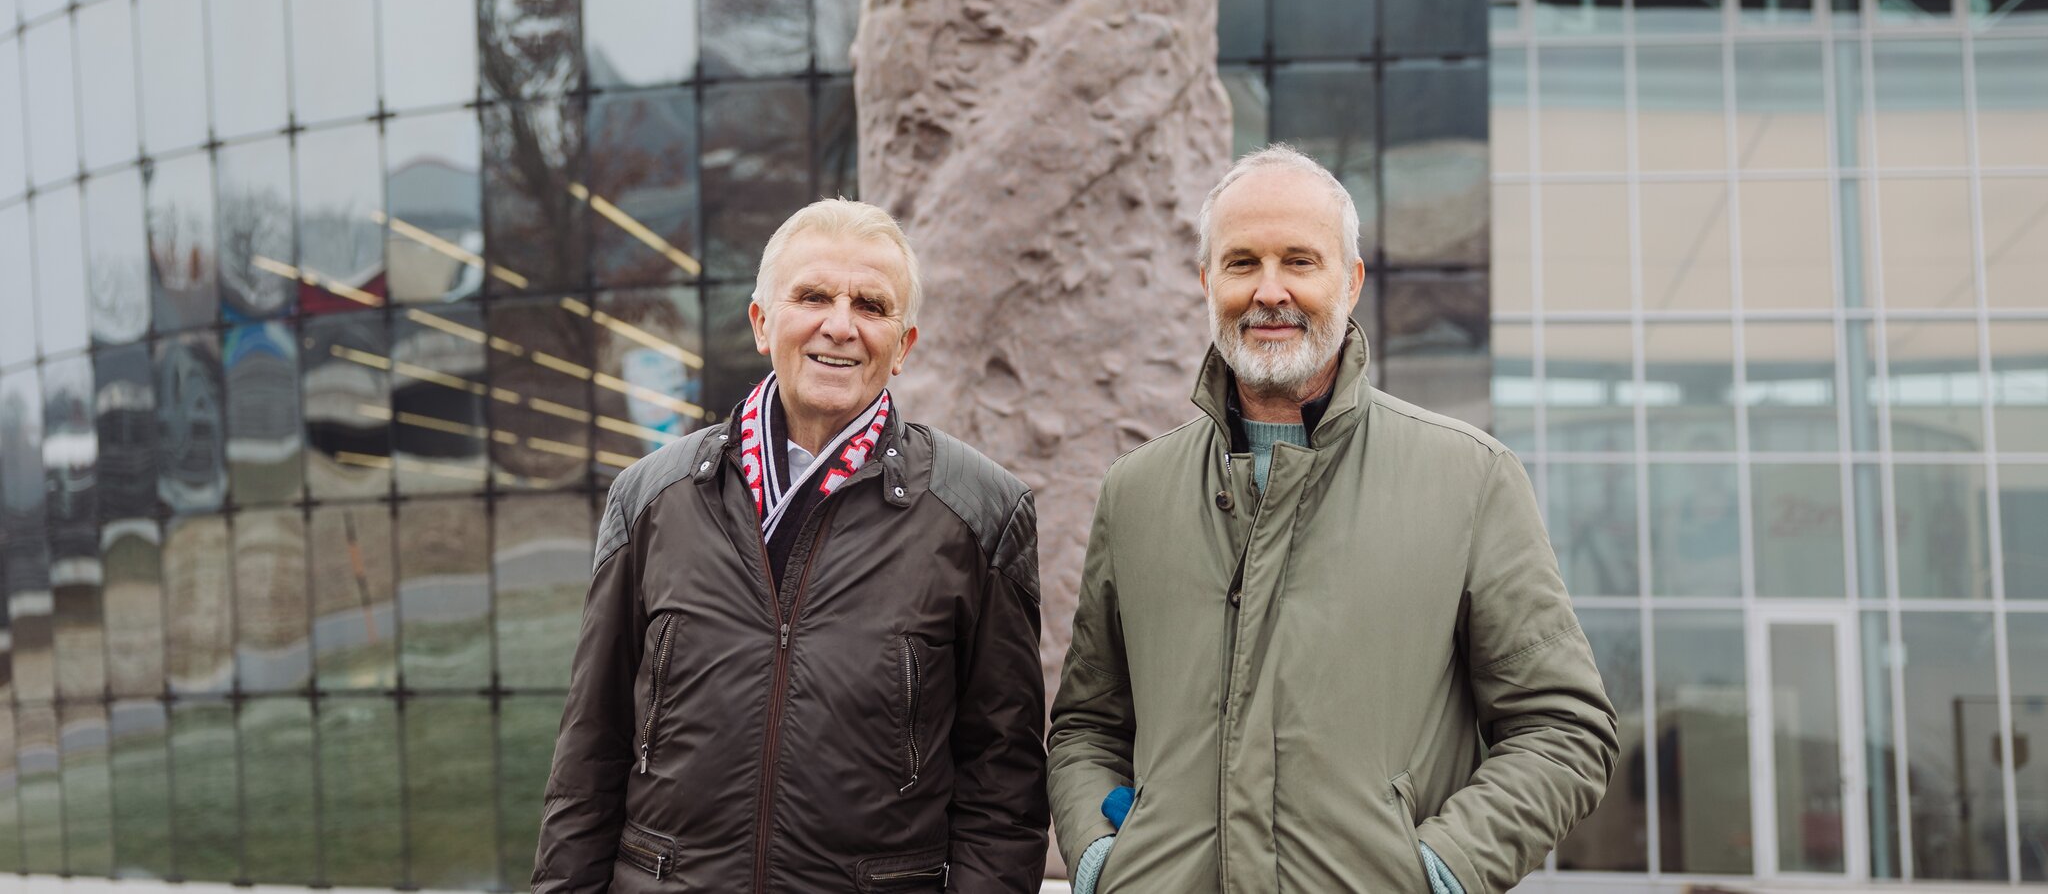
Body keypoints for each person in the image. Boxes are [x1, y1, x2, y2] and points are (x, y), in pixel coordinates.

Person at [1047, 146, 1617, 894]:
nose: (1269, 290)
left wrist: (1439, 870)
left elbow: (1563, 726)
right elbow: (1086, 727)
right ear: (1207, 282)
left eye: (1299, 261)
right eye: (1242, 263)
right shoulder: (1136, 492)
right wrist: (1102, 860)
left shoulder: (1469, 479)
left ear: (1350, 280)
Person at [533, 199, 1049, 894]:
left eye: (870, 305)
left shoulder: (980, 513)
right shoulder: (650, 498)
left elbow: (1004, 788)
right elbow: (589, 753)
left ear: (903, 346)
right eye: (812, 297)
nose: (840, 325)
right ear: (761, 322)